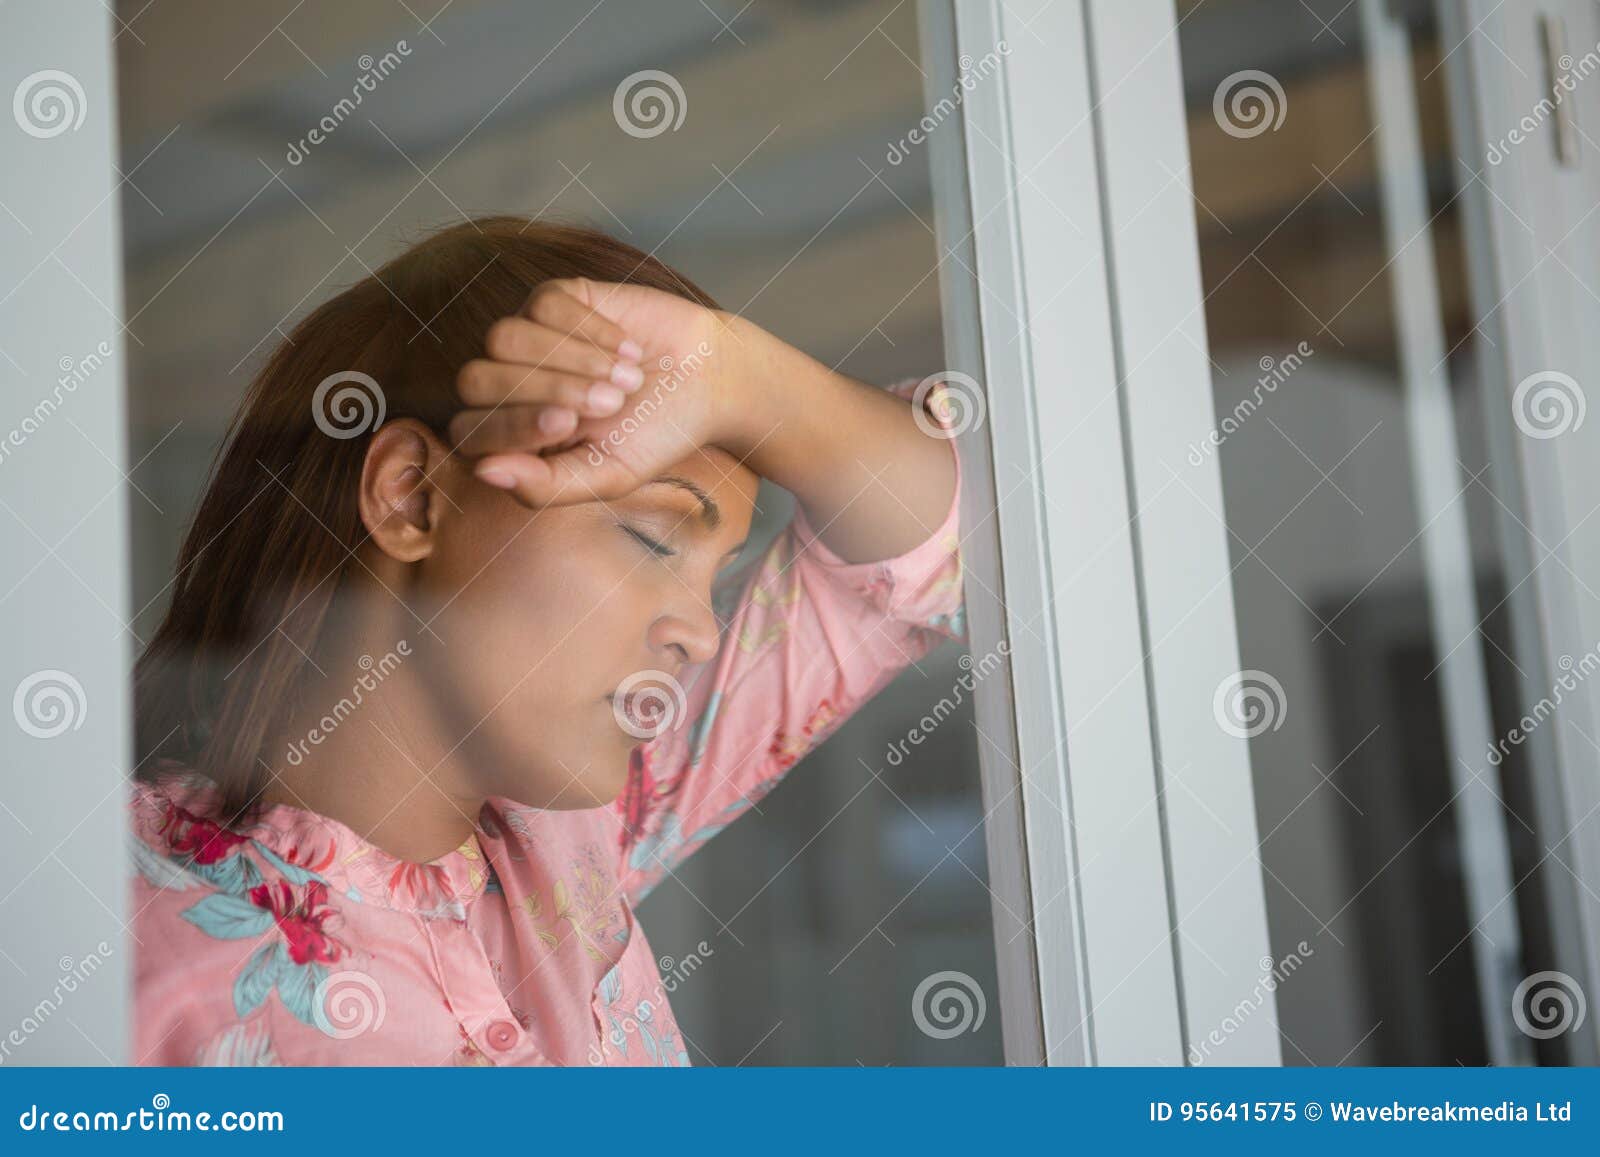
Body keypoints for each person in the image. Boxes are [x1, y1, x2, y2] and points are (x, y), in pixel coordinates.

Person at [128, 216, 966, 1066]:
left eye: (715, 578)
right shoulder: (98, 941)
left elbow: (918, 550)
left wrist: (739, 375)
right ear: (413, 497)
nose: (704, 634)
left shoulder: (574, 841)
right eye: (650, 539)